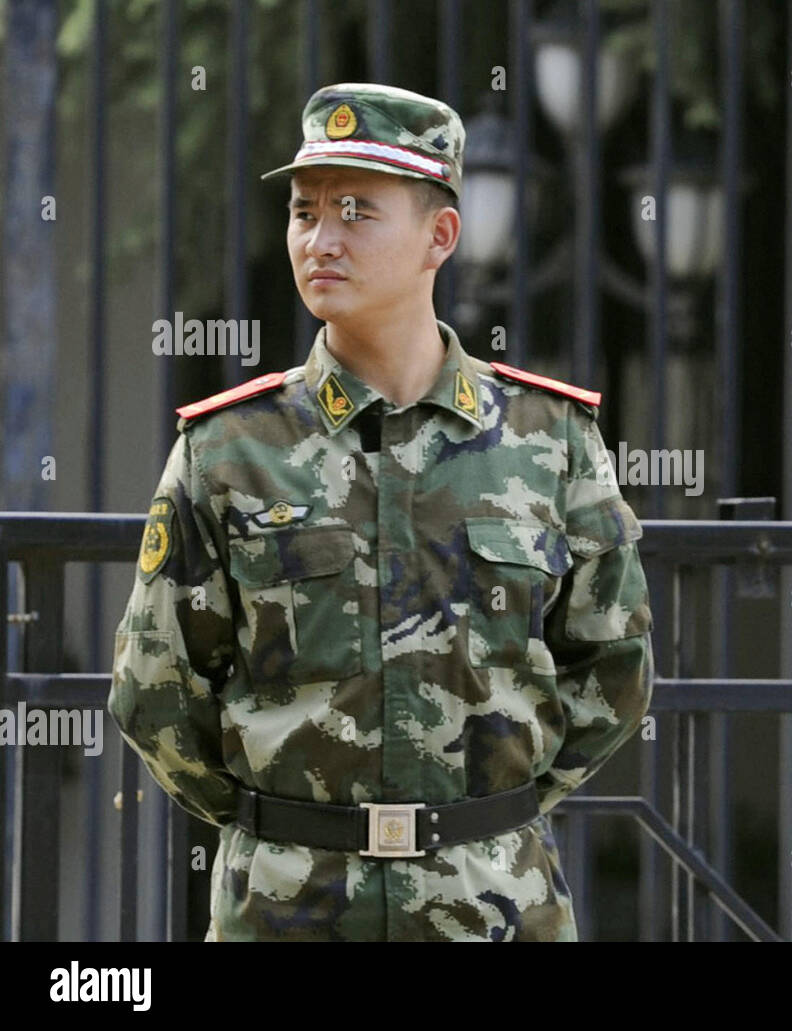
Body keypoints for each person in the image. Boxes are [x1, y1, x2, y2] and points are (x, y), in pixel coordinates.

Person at [108, 83, 654, 941]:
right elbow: (154, 693)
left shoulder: (551, 440)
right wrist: (283, 825)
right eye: (304, 211)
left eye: (356, 211)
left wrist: (488, 811)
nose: (320, 239)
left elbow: (615, 666)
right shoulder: (229, 449)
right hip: (286, 911)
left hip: (494, 906)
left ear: (440, 235)